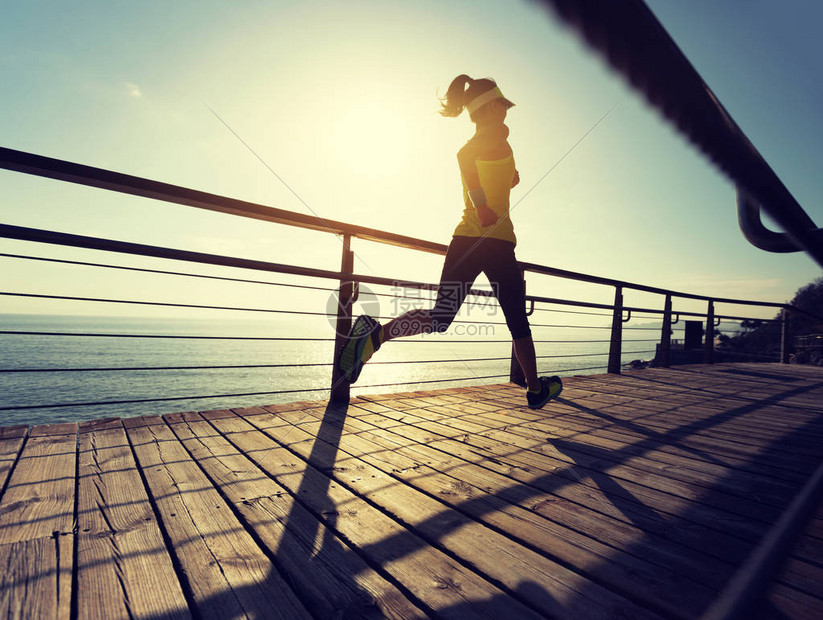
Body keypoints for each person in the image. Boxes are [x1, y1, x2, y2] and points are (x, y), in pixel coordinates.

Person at [338, 75, 562, 409]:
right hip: (486, 240)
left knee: (447, 318)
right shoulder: (488, 137)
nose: (506, 111)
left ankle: (375, 335)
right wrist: (481, 202)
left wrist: (508, 180)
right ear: (488, 107)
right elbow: (464, 156)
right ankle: (532, 389)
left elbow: (486, 167)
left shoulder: (498, 140)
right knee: (514, 318)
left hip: (482, 242)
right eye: (502, 105)